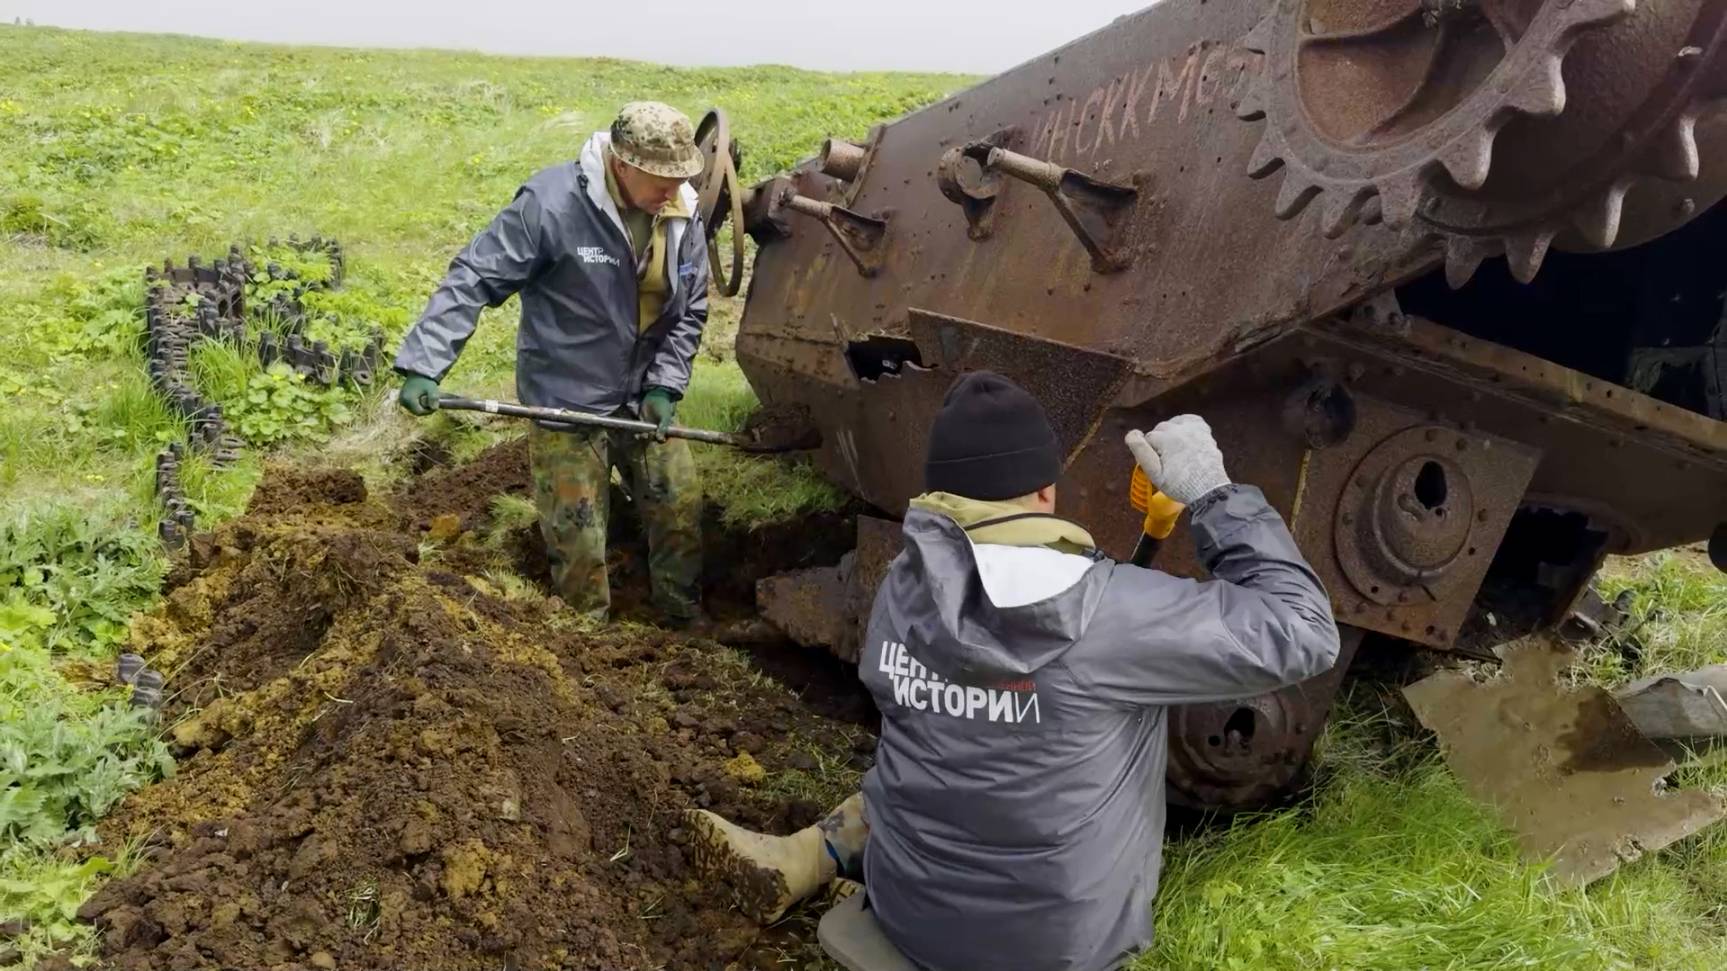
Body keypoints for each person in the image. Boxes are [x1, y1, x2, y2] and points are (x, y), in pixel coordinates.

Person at [687, 371, 1341, 971]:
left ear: (943, 489)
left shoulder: (900, 585)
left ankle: (807, 856)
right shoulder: (1111, 614)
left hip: (907, 917)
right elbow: (1304, 630)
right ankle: (811, 856)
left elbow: (1062, 649)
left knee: (943, 748)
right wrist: (1211, 493)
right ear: (1045, 489)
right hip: (1048, 949)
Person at [392, 101, 710, 626]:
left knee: (679, 502)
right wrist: (425, 362)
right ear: (623, 165)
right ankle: (586, 643)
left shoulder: (682, 213)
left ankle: (680, 617)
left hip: (641, 396)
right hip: (567, 401)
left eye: (682, 178)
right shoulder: (552, 205)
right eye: (662, 180)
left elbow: (690, 307)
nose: (674, 191)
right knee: (579, 534)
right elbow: (474, 277)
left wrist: (666, 386)